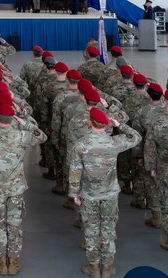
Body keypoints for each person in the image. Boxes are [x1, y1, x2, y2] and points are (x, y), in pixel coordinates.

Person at [68, 106, 141, 278]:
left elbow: (75, 170)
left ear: (90, 122)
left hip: (89, 194)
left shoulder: (81, 144)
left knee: (91, 230)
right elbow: (136, 137)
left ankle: (93, 267)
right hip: (109, 194)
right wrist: (119, 125)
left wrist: (74, 193)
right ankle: (107, 267)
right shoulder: (114, 142)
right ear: (106, 124)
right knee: (108, 229)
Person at [0, 102, 46, 274]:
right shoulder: (21, 136)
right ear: (12, 119)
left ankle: (2, 261)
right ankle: (13, 262)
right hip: (16, 188)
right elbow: (42, 136)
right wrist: (25, 122)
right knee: (15, 223)